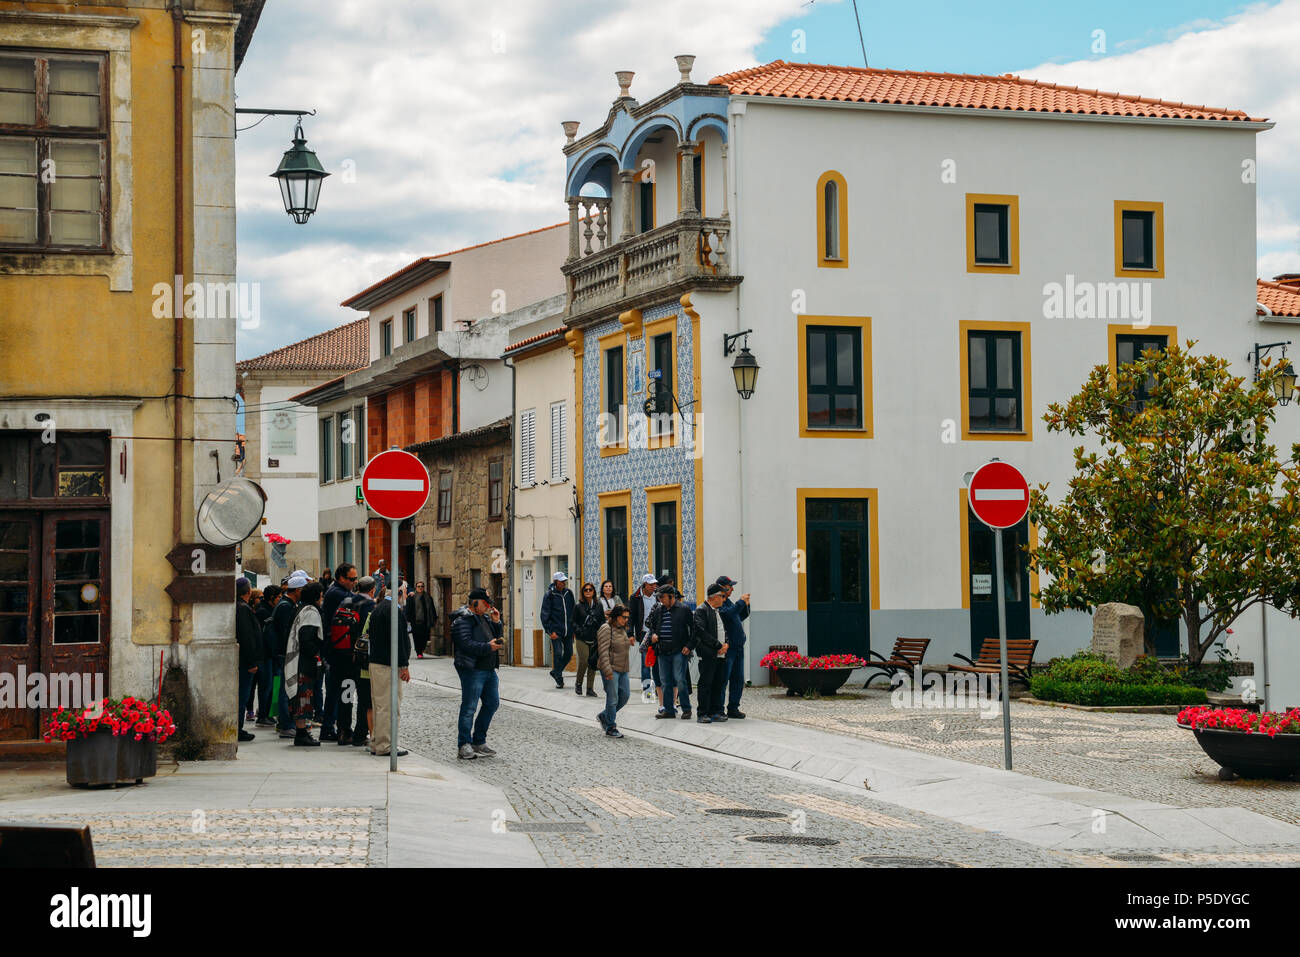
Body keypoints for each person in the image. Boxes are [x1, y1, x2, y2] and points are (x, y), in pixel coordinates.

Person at [452, 587, 504, 759]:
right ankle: (464, 744)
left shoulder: (485, 618)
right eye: (485, 604)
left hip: (488, 668)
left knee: (492, 703)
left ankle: (479, 740)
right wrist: (487, 647)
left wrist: (497, 622)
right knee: (469, 707)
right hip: (472, 669)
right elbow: (466, 644)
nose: (489, 607)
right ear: (475, 603)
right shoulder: (462, 621)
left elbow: (495, 636)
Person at [367, 580, 411, 757]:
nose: (406, 596)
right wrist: (404, 666)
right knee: (389, 706)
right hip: (386, 665)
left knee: (380, 705)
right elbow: (399, 640)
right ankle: (385, 745)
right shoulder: (393, 610)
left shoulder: (380, 607)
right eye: (405, 592)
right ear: (400, 592)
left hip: (378, 663)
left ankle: (377, 741)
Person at [285, 581, 325, 747]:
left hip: (300, 660)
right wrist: (315, 653)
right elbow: (307, 638)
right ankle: (301, 734)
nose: (322, 599)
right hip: (303, 661)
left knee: (303, 697)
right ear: (316, 597)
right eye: (321, 596)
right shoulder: (310, 612)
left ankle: (302, 732)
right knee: (303, 697)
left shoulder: (300, 608)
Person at [319, 563, 357, 742]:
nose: (354, 582)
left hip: (338, 650)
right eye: (351, 579)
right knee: (336, 690)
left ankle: (333, 726)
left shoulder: (341, 592)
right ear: (341, 578)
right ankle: (330, 727)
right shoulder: (336, 593)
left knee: (339, 690)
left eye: (356, 579)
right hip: (336, 652)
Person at [646, 585, 695, 719]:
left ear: (671, 596)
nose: (660, 599)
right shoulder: (659, 610)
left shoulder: (683, 609)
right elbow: (653, 627)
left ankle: (686, 709)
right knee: (665, 681)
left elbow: (694, 629)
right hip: (662, 650)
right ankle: (669, 710)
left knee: (680, 679)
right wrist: (654, 636)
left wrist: (689, 645)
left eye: (662, 597)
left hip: (679, 650)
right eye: (659, 597)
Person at [270, 574, 305, 738]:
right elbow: (286, 632)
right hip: (284, 653)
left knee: (286, 687)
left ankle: (285, 722)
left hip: (283, 652)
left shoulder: (288, 604)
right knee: (286, 689)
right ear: (297, 590)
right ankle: (286, 724)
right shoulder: (286, 606)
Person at [692, 584, 731, 723]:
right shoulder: (701, 610)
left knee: (718, 684)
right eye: (722, 596)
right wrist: (718, 646)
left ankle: (715, 711)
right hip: (709, 654)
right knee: (706, 684)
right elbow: (701, 632)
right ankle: (702, 713)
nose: (724, 599)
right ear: (714, 596)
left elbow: (722, 630)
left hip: (720, 655)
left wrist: (726, 643)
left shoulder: (717, 611)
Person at [349, 576, 378, 749]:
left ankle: (349, 730)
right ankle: (360, 734)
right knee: (366, 700)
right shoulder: (369, 606)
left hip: (350, 654)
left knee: (354, 696)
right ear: (372, 590)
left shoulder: (348, 601)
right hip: (364, 657)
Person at [715, 576, 751, 718]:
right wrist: (740, 602)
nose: (732, 589)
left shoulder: (729, 602)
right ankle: (719, 709)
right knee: (724, 679)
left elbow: (738, 616)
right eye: (730, 586)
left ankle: (733, 707)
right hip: (728, 648)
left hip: (738, 647)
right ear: (722, 587)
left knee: (738, 679)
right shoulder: (720, 604)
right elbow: (728, 614)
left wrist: (746, 605)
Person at [596, 604, 633, 738]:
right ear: (616, 617)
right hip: (611, 669)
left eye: (627, 618)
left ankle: (605, 715)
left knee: (625, 696)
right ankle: (611, 726)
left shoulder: (622, 628)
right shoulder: (606, 629)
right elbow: (603, 651)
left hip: (623, 669)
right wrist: (607, 670)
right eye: (624, 617)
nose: (626, 620)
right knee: (613, 698)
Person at [235, 577, 261, 742]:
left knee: (243, 696)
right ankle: (238, 728)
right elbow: (247, 637)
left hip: (244, 661)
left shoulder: (240, 607)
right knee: (242, 696)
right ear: (248, 591)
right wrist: (251, 662)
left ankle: (239, 728)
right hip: (245, 663)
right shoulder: (243, 608)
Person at [540, 571, 576, 689]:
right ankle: (559, 679)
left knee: (569, 653)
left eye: (564, 581)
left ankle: (556, 671)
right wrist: (550, 631)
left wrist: (574, 628)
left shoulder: (568, 593)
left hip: (568, 630)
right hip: (556, 630)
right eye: (561, 581)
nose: (564, 583)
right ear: (556, 582)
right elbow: (544, 614)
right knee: (558, 653)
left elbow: (573, 611)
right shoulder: (549, 595)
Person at [251, 584, 280, 728]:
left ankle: (267, 713)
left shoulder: (269, 609)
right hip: (265, 654)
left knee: (271, 684)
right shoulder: (263, 611)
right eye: (278, 597)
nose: (280, 599)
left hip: (269, 654)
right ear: (272, 598)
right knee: (266, 685)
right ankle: (263, 715)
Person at [629, 574, 659, 700]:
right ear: (644, 585)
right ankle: (647, 691)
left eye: (654, 584)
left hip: (657, 634)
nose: (654, 587)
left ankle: (659, 688)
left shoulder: (657, 596)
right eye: (651, 584)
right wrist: (630, 633)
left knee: (657, 663)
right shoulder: (635, 597)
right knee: (646, 664)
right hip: (644, 634)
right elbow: (632, 617)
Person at [572, 582, 601, 698]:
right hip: (581, 638)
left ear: (594, 592)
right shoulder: (578, 606)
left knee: (592, 662)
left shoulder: (598, 606)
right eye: (586, 590)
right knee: (584, 661)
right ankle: (578, 683)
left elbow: (602, 620)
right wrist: (578, 630)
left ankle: (590, 688)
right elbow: (573, 621)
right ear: (583, 593)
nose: (588, 592)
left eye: (590, 590)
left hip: (595, 637)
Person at [406, 581, 437, 659]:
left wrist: (434, 618)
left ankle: (421, 650)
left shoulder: (428, 597)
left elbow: (432, 609)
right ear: (416, 588)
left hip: (426, 621)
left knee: (425, 637)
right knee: (417, 637)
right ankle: (418, 652)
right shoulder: (411, 598)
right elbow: (408, 609)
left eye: (422, 586)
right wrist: (408, 619)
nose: (420, 588)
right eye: (419, 586)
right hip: (415, 621)